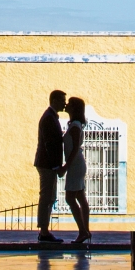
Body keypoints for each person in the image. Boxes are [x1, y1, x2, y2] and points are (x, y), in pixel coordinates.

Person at [34, 89, 67, 244]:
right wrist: (56, 166)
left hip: (47, 164)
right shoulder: (49, 118)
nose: (64, 104)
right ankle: (44, 231)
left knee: (49, 197)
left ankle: (44, 230)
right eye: (62, 100)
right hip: (47, 164)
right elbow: (50, 144)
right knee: (46, 197)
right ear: (54, 101)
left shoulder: (50, 117)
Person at [62, 96, 91, 246]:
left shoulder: (74, 126)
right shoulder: (76, 124)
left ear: (74, 108)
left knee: (70, 198)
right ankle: (85, 230)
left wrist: (66, 166)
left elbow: (73, 149)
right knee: (80, 197)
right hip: (78, 164)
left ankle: (82, 231)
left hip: (75, 165)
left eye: (69, 103)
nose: (66, 105)